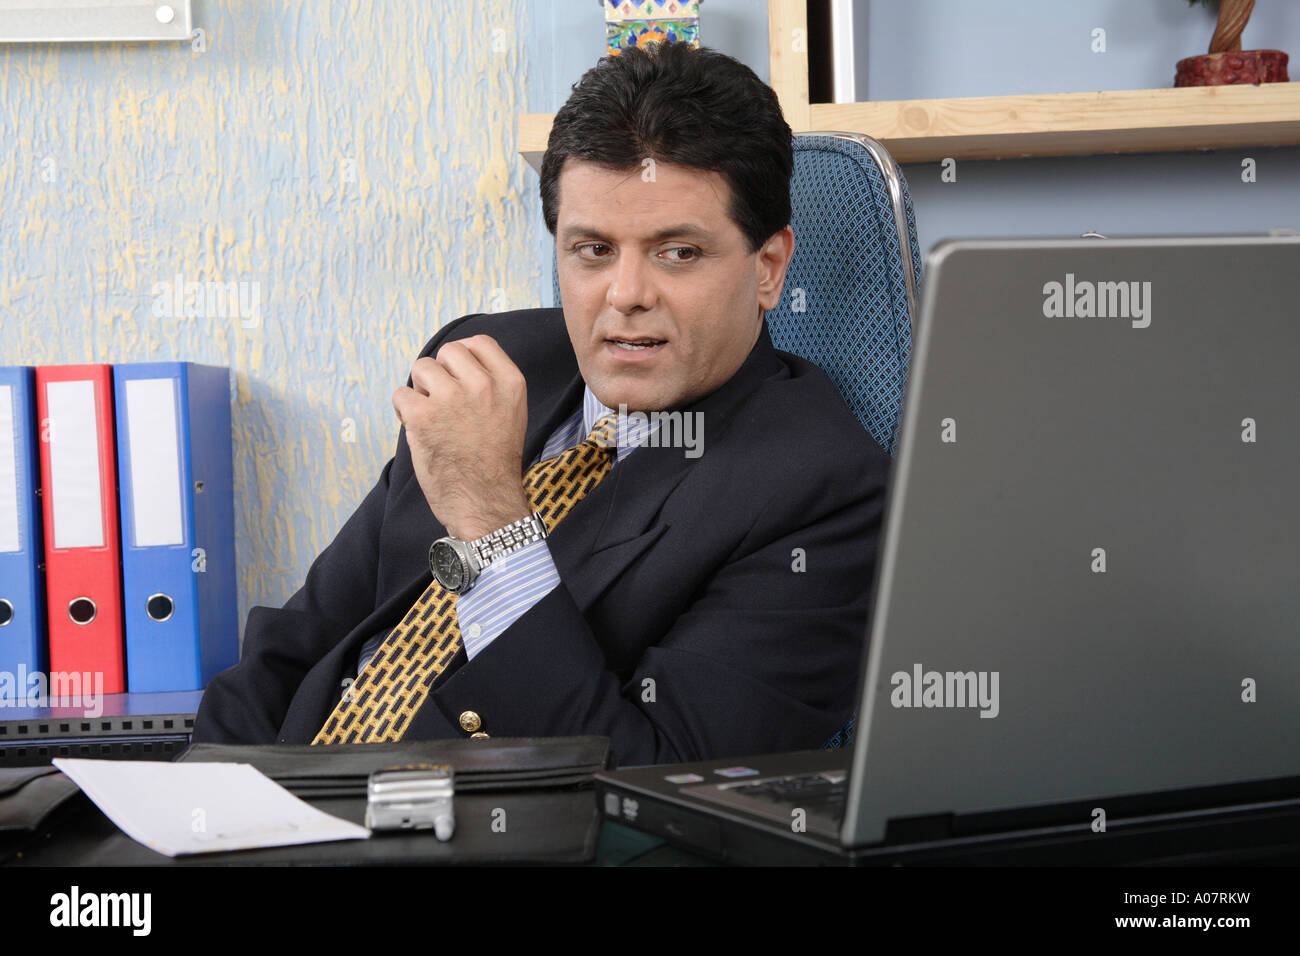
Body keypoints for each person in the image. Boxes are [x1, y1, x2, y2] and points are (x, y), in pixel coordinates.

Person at [192, 40, 891, 765]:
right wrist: (200, 802)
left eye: (677, 252)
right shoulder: (488, 362)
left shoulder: (823, 489)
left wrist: (491, 522)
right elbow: (299, 644)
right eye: (592, 250)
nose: (625, 296)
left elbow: (651, 787)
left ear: (769, 267)